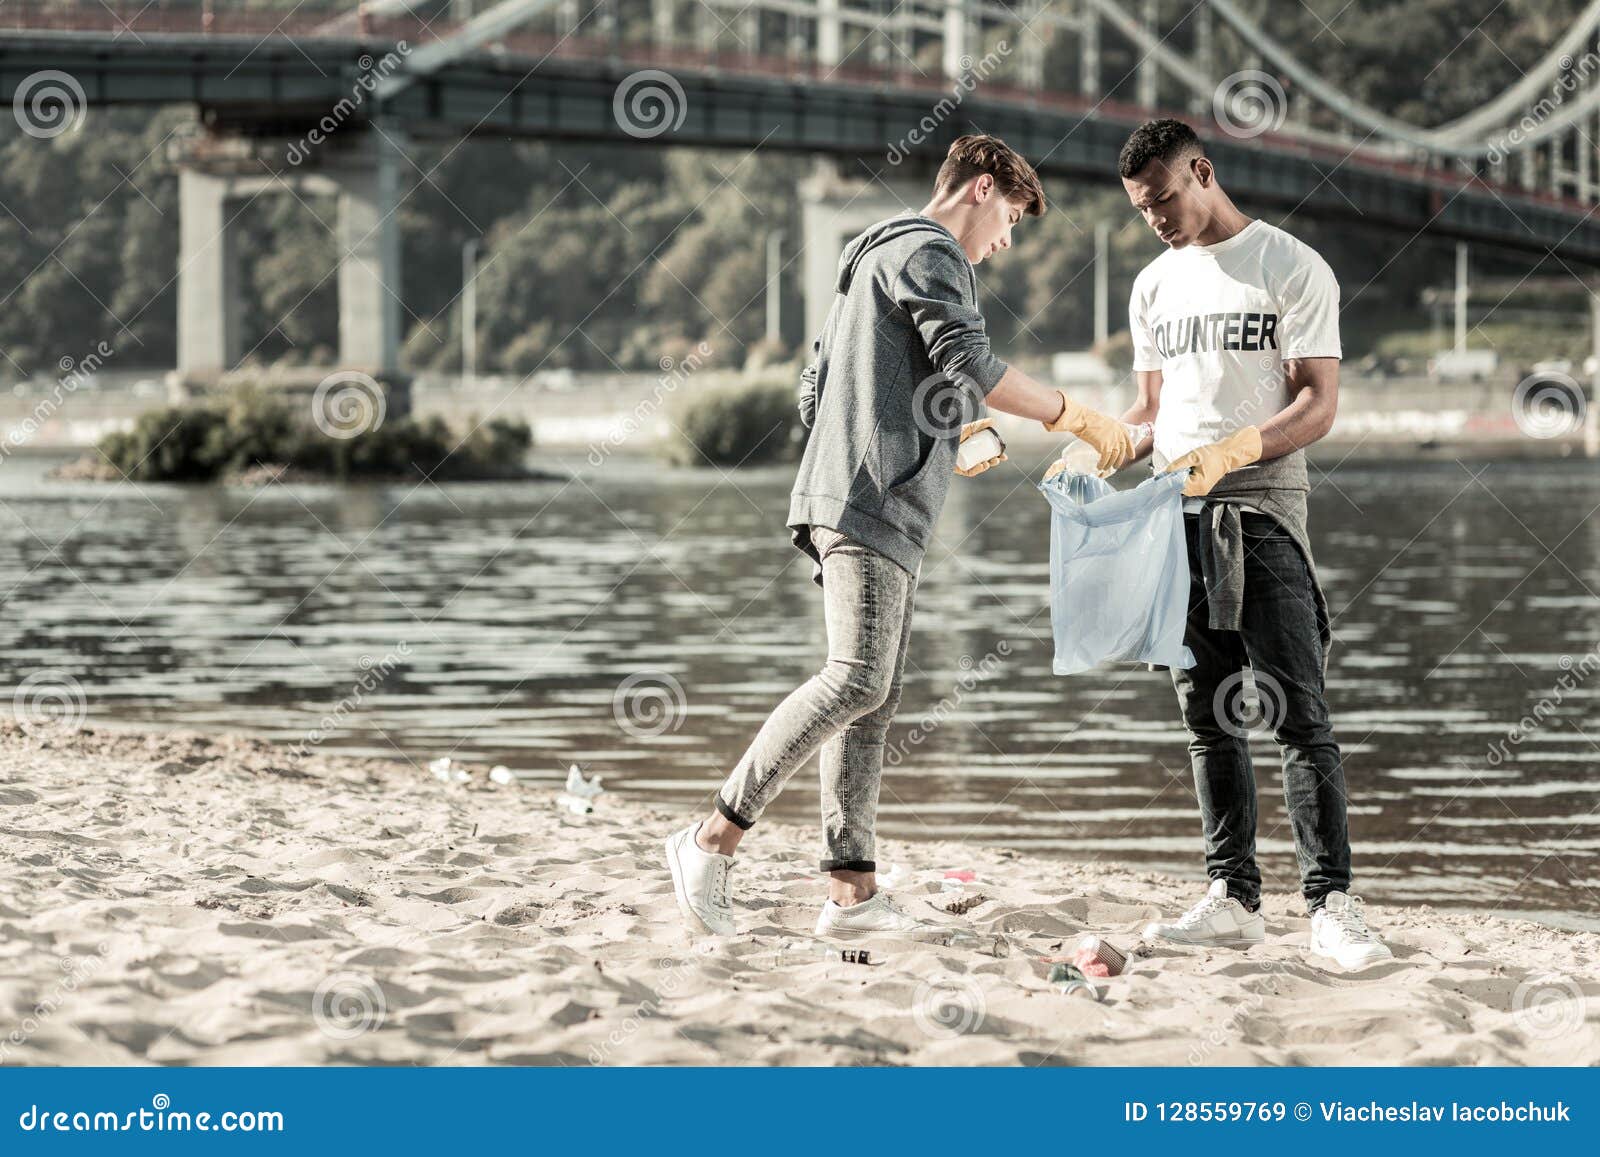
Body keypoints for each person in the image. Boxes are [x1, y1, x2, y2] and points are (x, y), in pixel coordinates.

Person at [667, 135, 1134, 938]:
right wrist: (1078, 415)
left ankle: (851, 894)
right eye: (1012, 218)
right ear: (981, 188)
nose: (1006, 240)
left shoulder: (869, 252)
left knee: (871, 700)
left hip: (865, 495)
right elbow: (973, 360)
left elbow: (821, 385)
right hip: (872, 500)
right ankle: (712, 836)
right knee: (854, 680)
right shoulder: (934, 250)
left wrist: (936, 433)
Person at [1075, 118, 1391, 968]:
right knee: (1205, 716)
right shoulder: (1151, 287)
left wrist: (1241, 448)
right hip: (1172, 517)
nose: (1157, 221)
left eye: (1164, 200)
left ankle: (1332, 903)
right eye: (1142, 211)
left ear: (1201, 171)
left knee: (1297, 713)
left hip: (1261, 513)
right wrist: (1095, 446)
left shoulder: (1289, 266)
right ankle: (1233, 896)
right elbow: (1150, 414)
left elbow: (1319, 403)